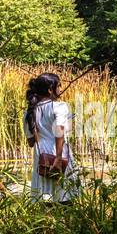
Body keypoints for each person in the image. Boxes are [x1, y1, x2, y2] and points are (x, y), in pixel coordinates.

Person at [25, 72, 80, 202]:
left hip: (41, 154)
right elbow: (60, 131)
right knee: (65, 195)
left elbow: (31, 142)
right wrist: (59, 158)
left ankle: (47, 221)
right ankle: (66, 221)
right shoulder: (60, 106)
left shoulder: (29, 112)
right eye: (59, 86)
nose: (60, 89)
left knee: (44, 196)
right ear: (50, 90)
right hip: (58, 151)